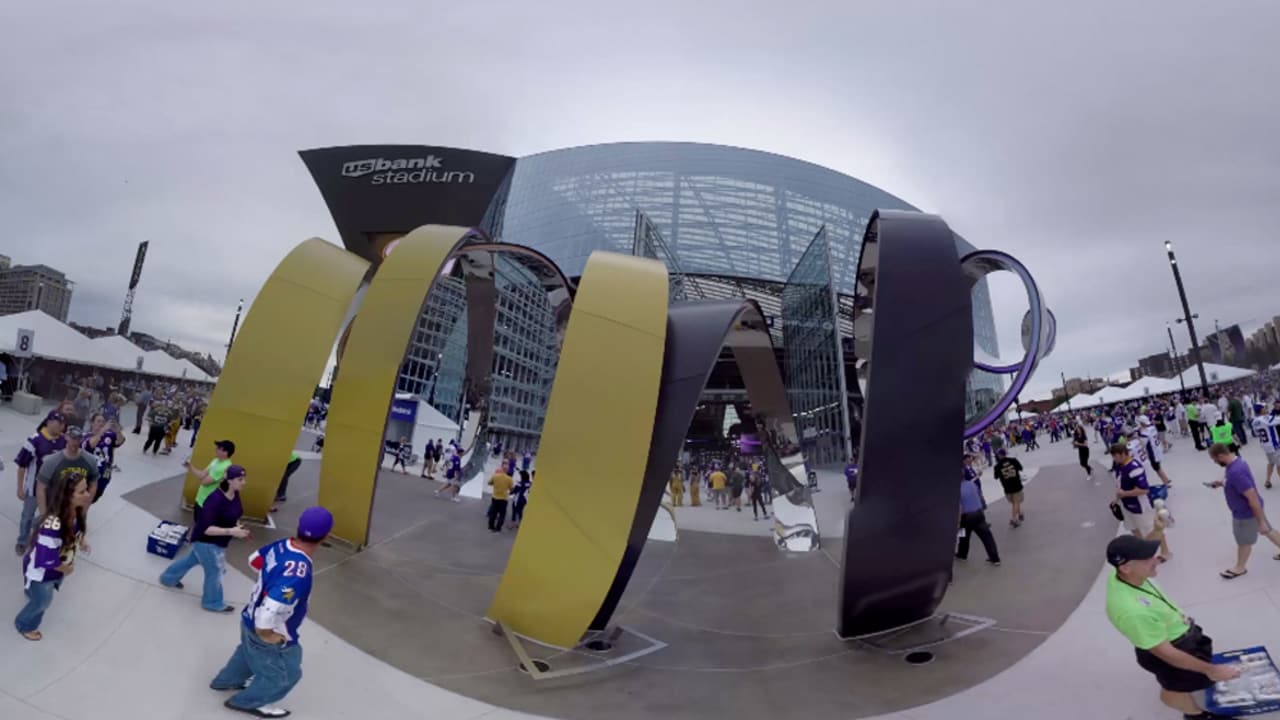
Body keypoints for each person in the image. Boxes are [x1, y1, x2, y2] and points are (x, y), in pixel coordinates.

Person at [210, 507, 333, 718]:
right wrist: (270, 635)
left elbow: (254, 561)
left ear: (299, 527)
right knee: (286, 674)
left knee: (247, 653)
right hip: (270, 628)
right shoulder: (298, 571)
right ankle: (247, 702)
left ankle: (226, 681)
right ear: (326, 536)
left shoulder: (283, 545)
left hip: (248, 617)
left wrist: (271, 578)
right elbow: (269, 611)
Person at [1104, 535, 1239, 719]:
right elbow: (1165, 652)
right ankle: (1196, 715)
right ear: (1126, 568)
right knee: (1174, 689)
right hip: (1171, 650)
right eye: (1147, 559)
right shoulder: (1132, 611)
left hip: (1177, 635)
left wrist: (1158, 529)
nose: (1156, 560)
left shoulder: (1124, 573)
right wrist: (1211, 670)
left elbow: (1134, 553)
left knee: (1190, 677)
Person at [15, 468, 94, 641]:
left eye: (86, 489)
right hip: (43, 573)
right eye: (82, 492)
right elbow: (45, 559)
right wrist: (65, 569)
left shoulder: (76, 511)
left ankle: (30, 592)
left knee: (39, 595)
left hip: (57, 568)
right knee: (43, 601)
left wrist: (82, 541)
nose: (88, 494)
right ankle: (24, 624)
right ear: (68, 496)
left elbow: (75, 531)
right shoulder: (53, 524)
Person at [161, 465, 250, 612]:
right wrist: (231, 531)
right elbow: (206, 529)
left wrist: (238, 526)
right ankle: (212, 602)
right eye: (240, 479)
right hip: (208, 543)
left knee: (190, 560)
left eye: (244, 478)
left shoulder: (235, 494)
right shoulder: (214, 500)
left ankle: (168, 578)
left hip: (215, 543)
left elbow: (233, 514)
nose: (244, 482)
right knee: (216, 572)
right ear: (229, 480)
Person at [1205, 443, 1280, 579]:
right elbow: (1237, 483)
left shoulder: (1235, 472)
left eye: (1215, 460)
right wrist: (1221, 483)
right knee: (1269, 530)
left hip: (1246, 513)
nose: (1216, 463)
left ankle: (1240, 567)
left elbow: (1252, 498)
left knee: (1244, 541)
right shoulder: (1235, 463)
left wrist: (1260, 521)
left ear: (1221, 455)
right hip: (1251, 511)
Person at [13, 412, 68, 555]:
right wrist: (20, 488)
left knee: (50, 514)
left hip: (51, 489)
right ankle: (22, 541)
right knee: (27, 515)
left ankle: (37, 531)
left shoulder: (63, 441)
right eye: (58, 422)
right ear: (49, 422)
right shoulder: (34, 440)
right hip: (33, 489)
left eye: (63, 423)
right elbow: (21, 465)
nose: (61, 426)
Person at [1111, 442, 1170, 563]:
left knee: (1153, 529)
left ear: (1122, 454)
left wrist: (1124, 494)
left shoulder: (1134, 468)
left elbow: (1144, 489)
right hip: (1126, 505)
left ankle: (1165, 551)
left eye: (1115, 456)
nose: (1114, 459)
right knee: (1134, 528)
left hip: (1140, 506)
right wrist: (1116, 499)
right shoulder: (1119, 466)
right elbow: (1119, 484)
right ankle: (1143, 551)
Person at [956, 472, 1000, 565]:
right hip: (979, 514)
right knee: (987, 536)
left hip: (966, 517)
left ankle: (962, 554)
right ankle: (995, 558)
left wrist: (958, 522)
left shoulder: (956, 490)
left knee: (963, 537)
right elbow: (980, 496)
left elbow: (959, 507)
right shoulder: (972, 484)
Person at [186, 439, 236, 514]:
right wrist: (189, 466)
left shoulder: (224, 467)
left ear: (226, 452)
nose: (215, 449)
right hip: (200, 499)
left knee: (202, 525)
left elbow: (204, 482)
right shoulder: (216, 460)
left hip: (208, 503)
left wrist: (203, 477)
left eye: (219, 448)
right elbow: (202, 475)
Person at [83, 413, 124, 503]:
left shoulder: (109, 435)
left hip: (104, 472)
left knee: (97, 495)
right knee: (84, 494)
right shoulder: (85, 436)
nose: (101, 423)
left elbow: (120, 441)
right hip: (89, 472)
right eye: (98, 421)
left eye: (103, 421)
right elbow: (89, 445)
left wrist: (118, 431)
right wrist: (102, 431)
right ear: (92, 423)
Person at [993, 449, 1026, 527]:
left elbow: (996, 477)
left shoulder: (997, 466)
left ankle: (1020, 513)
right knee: (1016, 502)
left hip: (1007, 488)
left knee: (1015, 503)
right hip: (1017, 485)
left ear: (999, 455)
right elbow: (1021, 468)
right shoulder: (1013, 460)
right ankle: (1014, 519)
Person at [486, 467, 514, 532]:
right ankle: (498, 528)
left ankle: (491, 527)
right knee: (502, 514)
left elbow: (489, 483)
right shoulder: (509, 479)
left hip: (495, 497)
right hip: (503, 499)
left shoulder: (495, 476)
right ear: (507, 471)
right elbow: (511, 489)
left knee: (493, 513)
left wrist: (496, 485)